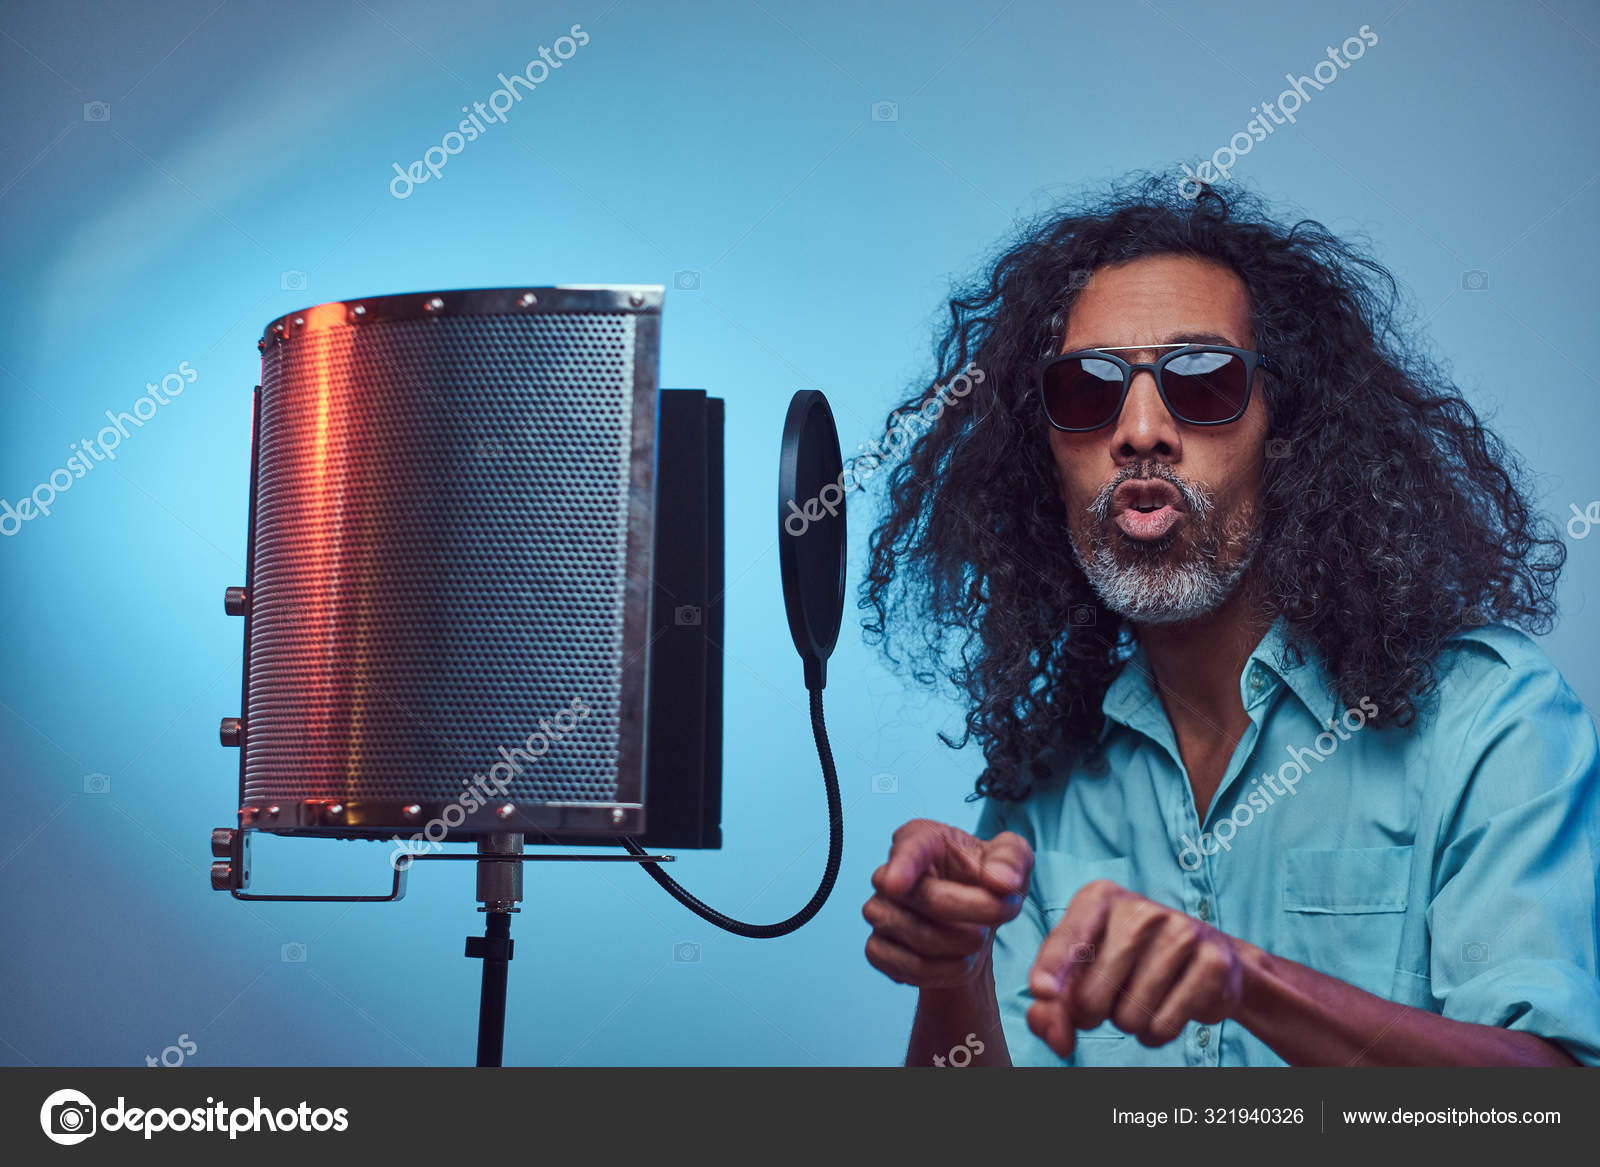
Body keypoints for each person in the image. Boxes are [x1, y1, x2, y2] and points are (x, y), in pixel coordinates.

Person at [858, 174, 1600, 1066]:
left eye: (1202, 382)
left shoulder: (1487, 718)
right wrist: (956, 968)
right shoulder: (1042, 788)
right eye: (1089, 393)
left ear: (1285, 431)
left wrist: (1251, 983)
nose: (1139, 430)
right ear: (1042, 456)